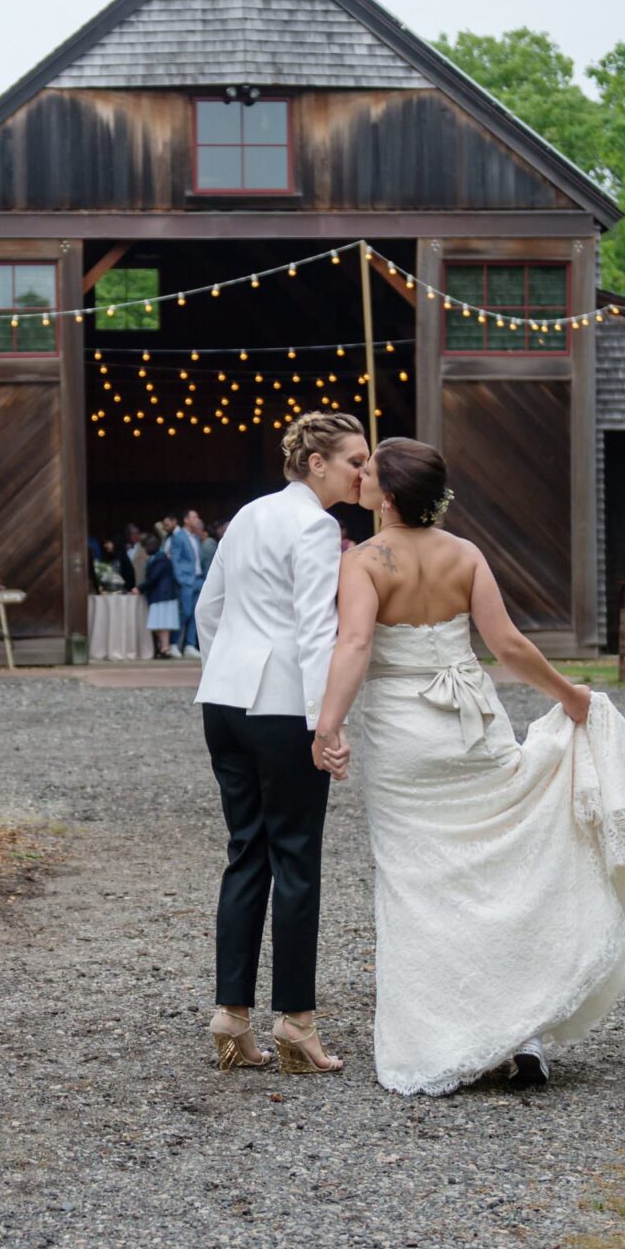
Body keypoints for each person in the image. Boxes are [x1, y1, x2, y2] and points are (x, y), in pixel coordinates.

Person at [312, 438, 625, 1096]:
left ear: (387, 495)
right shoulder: (464, 555)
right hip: (474, 732)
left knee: (419, 885)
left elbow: (353, 643)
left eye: (370, 472)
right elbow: (509, 646)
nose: (362, 477)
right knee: (499, 868)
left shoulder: (364, 563)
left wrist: (329, 725)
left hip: (406, 742)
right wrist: (570, 696)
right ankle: (520, 1031)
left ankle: (448, 1036)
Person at [194, 411, 370, 1075]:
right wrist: (328, 722)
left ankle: (230, 1014)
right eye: (355, 460)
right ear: (317, 463)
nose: (364, 471)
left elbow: (209, 609)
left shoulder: (247, 514)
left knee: (247, 853)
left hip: (225, 701)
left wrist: (228, 668)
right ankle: (297, 1021)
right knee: (296, 861)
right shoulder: (318, 525)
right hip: (279, 708)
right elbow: (314, 627)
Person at [164, 512, 202, 658]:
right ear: (186, 520)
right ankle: (174, 643)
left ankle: (190, 644)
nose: (197, 520)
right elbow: (175, 559)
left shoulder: (195, 537)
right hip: (186, 579)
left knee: (195, 613)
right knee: (184, 611)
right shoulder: (179, 537)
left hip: (198, 578)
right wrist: (180, 578)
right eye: (194, 517)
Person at [139, 532, 180, 657]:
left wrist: (139, 588)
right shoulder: (158, 558)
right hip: (161, 595)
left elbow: (153, 577)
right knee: (160, 623)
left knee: (162, 622)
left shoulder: (160, 558)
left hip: (163, 595)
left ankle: (165, 647)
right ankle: (164, 647)